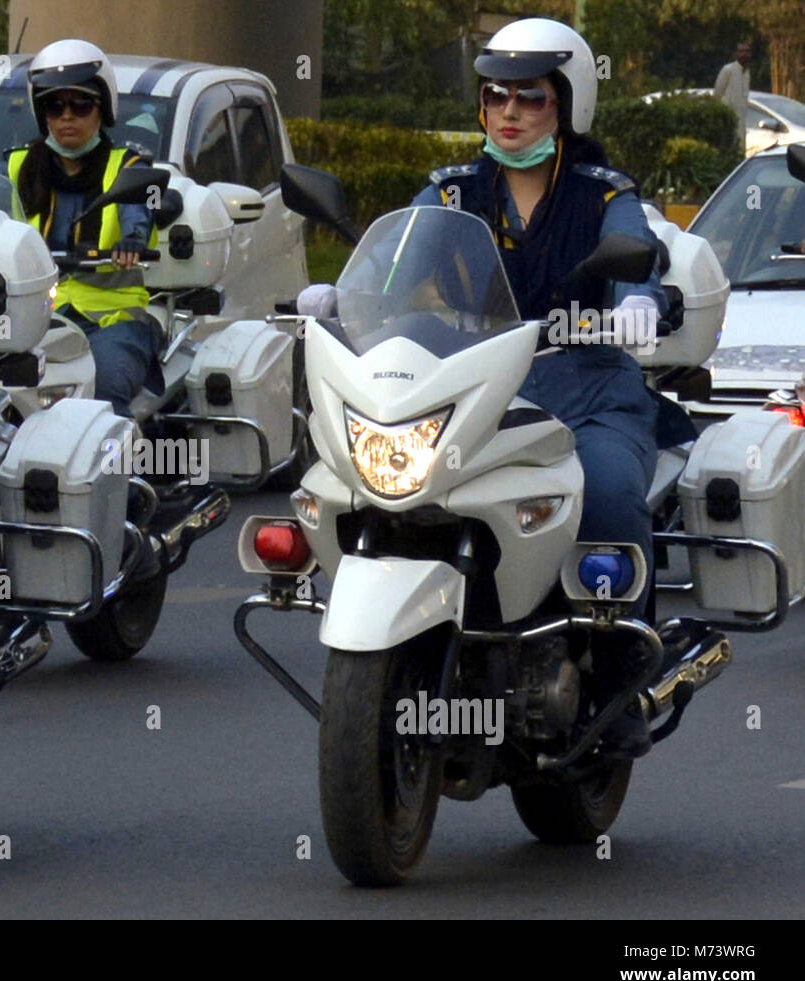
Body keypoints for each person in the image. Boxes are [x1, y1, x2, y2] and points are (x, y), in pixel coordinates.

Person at [300, 17, 679, 757]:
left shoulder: (603, 195)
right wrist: (339, 293)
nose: (509, 113)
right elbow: (398, 254)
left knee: (602, 494)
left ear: (566, 105)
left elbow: (646, 257)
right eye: (497, 96)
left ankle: (617, 677)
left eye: (530, 98)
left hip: (589, 386)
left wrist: (640, 301)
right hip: (482, 383)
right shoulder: (454, 188)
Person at [3, 38, 163, 418]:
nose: (67, 116)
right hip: (33, 320)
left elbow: (141, 205)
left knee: (103, 388)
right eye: (54, 106)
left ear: (103, 107)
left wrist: (132, 241)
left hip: (112, 321)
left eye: (81, 104)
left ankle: (117, 472)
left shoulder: (129, 165)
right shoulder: (17, 166)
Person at [713, 41, 752, 152]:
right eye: (741, 51)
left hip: (741, 121)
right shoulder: (728, 70)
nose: (744, 54)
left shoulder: (747, 73)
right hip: (728, 120)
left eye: (747, 51)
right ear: (735, 54)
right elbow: (717, 94)